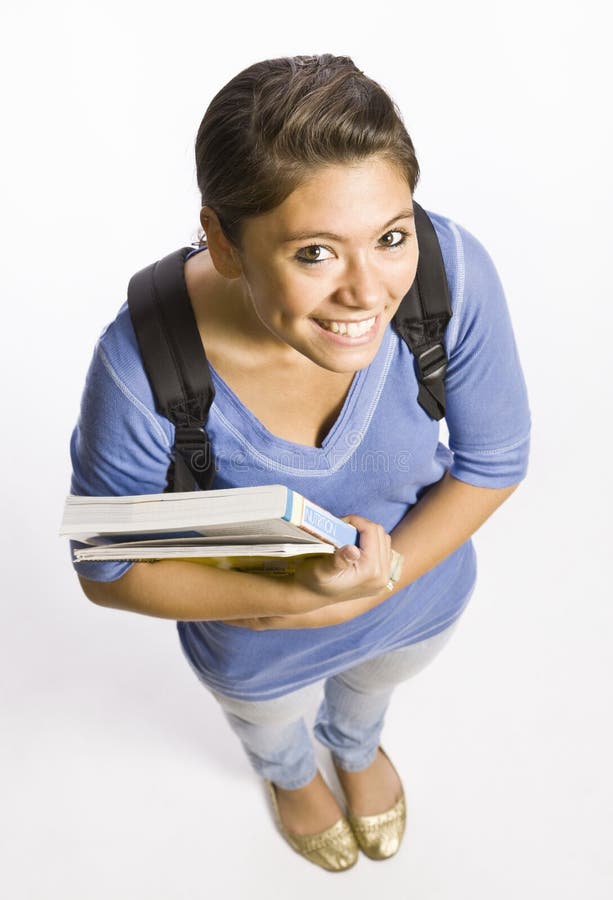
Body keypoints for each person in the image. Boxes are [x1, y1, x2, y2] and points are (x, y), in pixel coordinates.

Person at [68, 54, 531, 872]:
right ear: (223, 239)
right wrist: (299, 604)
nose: (367, 292)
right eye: (315, 253)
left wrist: (372, 587)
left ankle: (354, 747)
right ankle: (287, 774)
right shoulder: (140, 369)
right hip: (257, 647)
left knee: (371, 691)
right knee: (271, 725)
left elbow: (492, 462)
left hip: (419, 599)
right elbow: (107, 570)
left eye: (389, 236)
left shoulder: (448, 272)